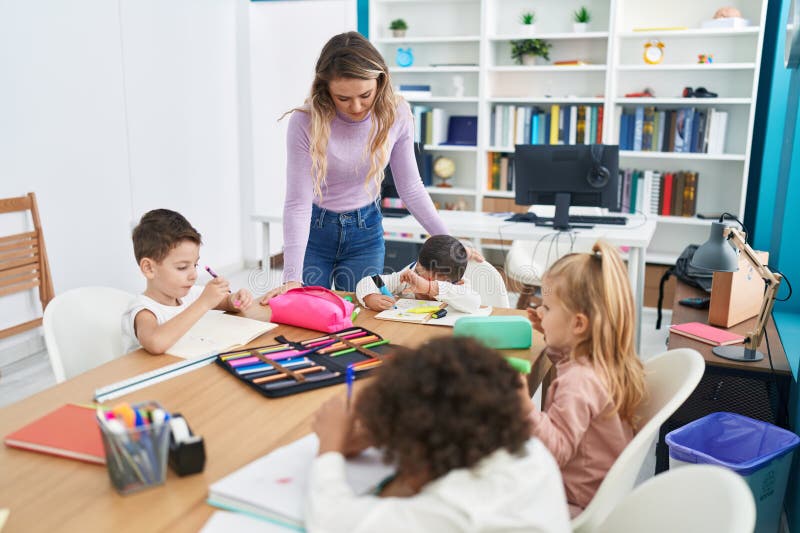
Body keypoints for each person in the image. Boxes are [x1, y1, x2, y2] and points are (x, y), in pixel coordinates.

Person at [260, 31, 455, 301]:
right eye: (343, 98)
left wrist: (449, 243)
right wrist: (292, 277)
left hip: (365, 233)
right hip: (315, 233)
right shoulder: (305, 121)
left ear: (380, 80)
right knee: (307, 312)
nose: (356, 106)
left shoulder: (397, 113)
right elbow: (297, 203)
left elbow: (410, 186)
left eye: (366, 94)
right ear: (325, 89)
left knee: (363, 313)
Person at [306, 337, 571, 533]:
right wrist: (382, 432)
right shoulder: (526, 450)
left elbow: (332, 522)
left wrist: (329, 446)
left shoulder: (458, 511)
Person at [526, 240, 646, 517]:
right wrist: (552, 334)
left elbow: (554, 451)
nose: (541, 313)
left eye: (548, 308)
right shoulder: (603, 362)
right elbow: (570, 369)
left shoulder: (579, 382)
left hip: (572, 505)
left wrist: (523, 404)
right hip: (594, 491)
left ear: (578, 324)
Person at [121, 209, 253, 354]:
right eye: (182, 267)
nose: (194, 275)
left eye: (195, 265)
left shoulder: (189, 295)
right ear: (149, 268)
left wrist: (236, 299)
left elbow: (227, 303)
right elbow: (155, 343)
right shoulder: (144, 310)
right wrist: (203, 303)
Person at [354, 235, 480, 313]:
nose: (421, 282)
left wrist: (430, 288)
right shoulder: (408, 277)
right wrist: (369, 298)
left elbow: (474, 303)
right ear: (418, 267)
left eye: (435, 281)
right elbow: (368, 281)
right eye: (421, 276)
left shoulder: (458, 284)